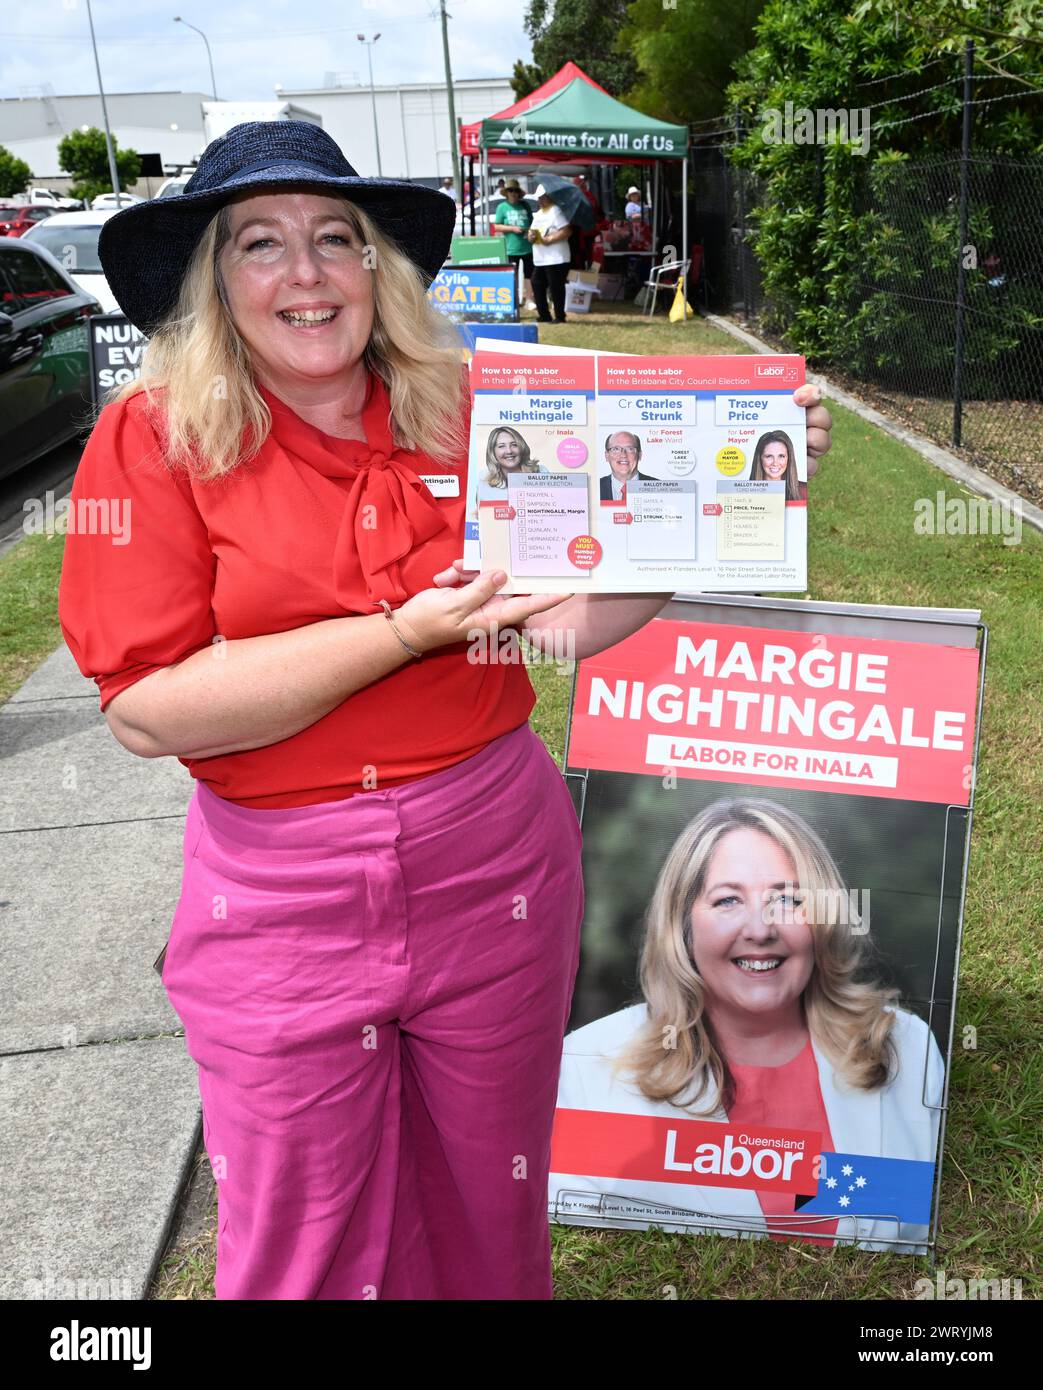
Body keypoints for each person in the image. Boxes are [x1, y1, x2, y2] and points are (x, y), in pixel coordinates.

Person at [57, 120, 836, 1302]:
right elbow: (152, 709)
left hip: (494, 856)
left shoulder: (462, 406)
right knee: (302, 1235)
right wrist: (398, 634)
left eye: (337, 239)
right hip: (281, 891)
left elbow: (556, 623)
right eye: (259, 243)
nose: (305, 273)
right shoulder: (155, 434)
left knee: (487, 1193)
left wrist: (724, 491)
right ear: (215, 280)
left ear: (380, 266)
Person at [551, 798, 945, 1253]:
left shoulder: (905, 1047)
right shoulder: (587, 1065)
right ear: (683, 926)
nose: (760, 929)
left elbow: (924, 1226)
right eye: (728, 900)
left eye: (788, 899)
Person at [527, 184, 573, 325]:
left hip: (556, 257)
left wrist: (550, 239)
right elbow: (532, 230)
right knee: (537, 283)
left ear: (549, 197)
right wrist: (531, 236)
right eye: (539, 198)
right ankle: (544, 315)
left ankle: (560, 316)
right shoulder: (539, 213)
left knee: (556, 286)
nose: (540, 201)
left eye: (542, 198)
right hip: (541, 257)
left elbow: (566, 230)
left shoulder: (556, 211)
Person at [491, 179, 534, 312]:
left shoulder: (525, 205)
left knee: (529, 275)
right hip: (511, 248)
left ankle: (529, 300)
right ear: (506, 193)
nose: (513, 193)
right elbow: (496, 226)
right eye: (510, 190)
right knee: (512, 276)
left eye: (515, 190)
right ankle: (513, 301)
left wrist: (530, 232)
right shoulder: (502, 207)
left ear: (519, 193)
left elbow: (533, 223)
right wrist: (513, 229)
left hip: (527, 247)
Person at [481, 425, 547, 494]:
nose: (509, 451)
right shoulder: (483, 480)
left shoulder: (541, 471)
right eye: (501, 446)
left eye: (514, 445)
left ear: (522, 447)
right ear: (492, 452)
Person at [750, 429, 806, 501]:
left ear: (789, 458)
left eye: (781, 456)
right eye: (769, 456)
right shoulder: (744, 492)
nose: (775, 463)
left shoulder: (804, 491)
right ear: (760, 458)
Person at [599, 430, 652, 501]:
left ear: (639, 455)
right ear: (607, 456)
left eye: (630, 449)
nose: (623, 455)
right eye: (616, 449)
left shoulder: (659, 489)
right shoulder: (595, 487)